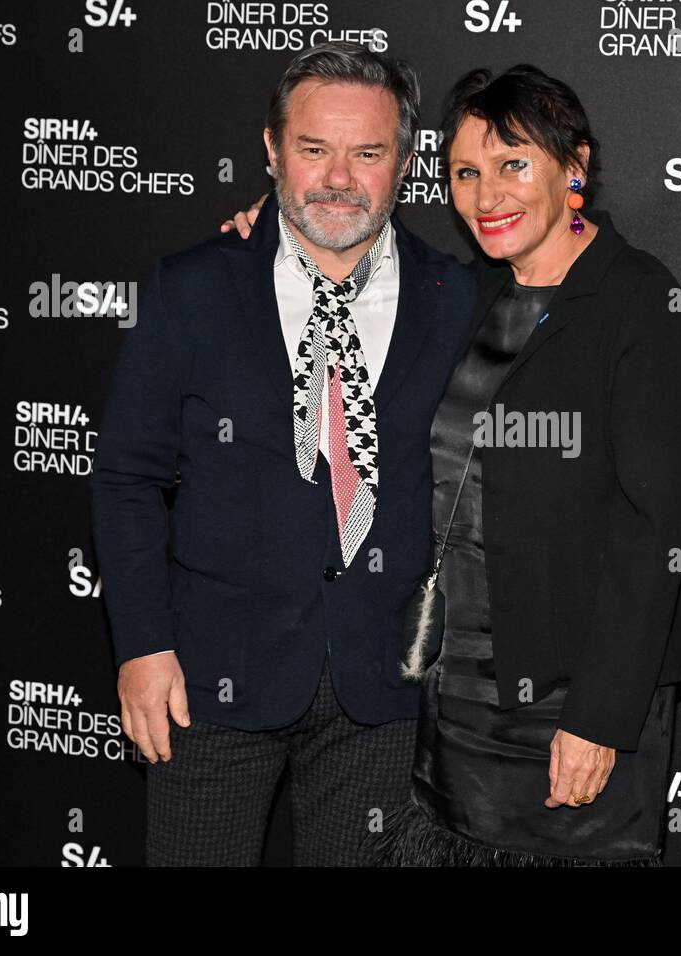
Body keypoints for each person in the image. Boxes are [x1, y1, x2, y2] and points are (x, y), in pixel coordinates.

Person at [225, 64, 681, 865]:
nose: (487, 196)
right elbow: (344, 262)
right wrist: (267, 227)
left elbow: (652, 530)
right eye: (465, 173)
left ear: (574, 166)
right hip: (453, 694)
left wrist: (599, 716)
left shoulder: (642, 307)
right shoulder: (467, 292)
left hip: (571, 695)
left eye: (514, 165)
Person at [90, 42, 476, 865]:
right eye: (313, 149)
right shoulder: (193, 287)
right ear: (271, 151)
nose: (338, 177)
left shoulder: (459, 299)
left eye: (367, 153)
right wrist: (142, 647)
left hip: (385, 688)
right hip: (208, 682)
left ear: (405, 162)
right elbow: (127, 478)